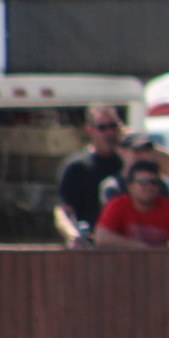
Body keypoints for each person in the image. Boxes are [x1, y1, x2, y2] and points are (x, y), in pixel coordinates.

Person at [54, 104, 126, 247]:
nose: (109, 132)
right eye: (102, 128)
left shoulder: (126, 163)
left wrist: (137, 142)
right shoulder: (76, 167)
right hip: (89, 245)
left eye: (113, 126)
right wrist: (72, 234)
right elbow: (63, 211)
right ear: (90, 130)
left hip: (123, 245)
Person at [94, 160, 169, 248]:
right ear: (130, 186)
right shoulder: (117, 205)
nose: (149, 187)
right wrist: (137, 245)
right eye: (143, 183)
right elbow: (101, 237)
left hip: (158, 264)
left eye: (153, 182)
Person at [99, 131, 169, 204]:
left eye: (146, 151)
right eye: (137, 151)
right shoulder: (113, 187)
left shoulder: (159, 186)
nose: (142, 155)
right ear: (122, 152)